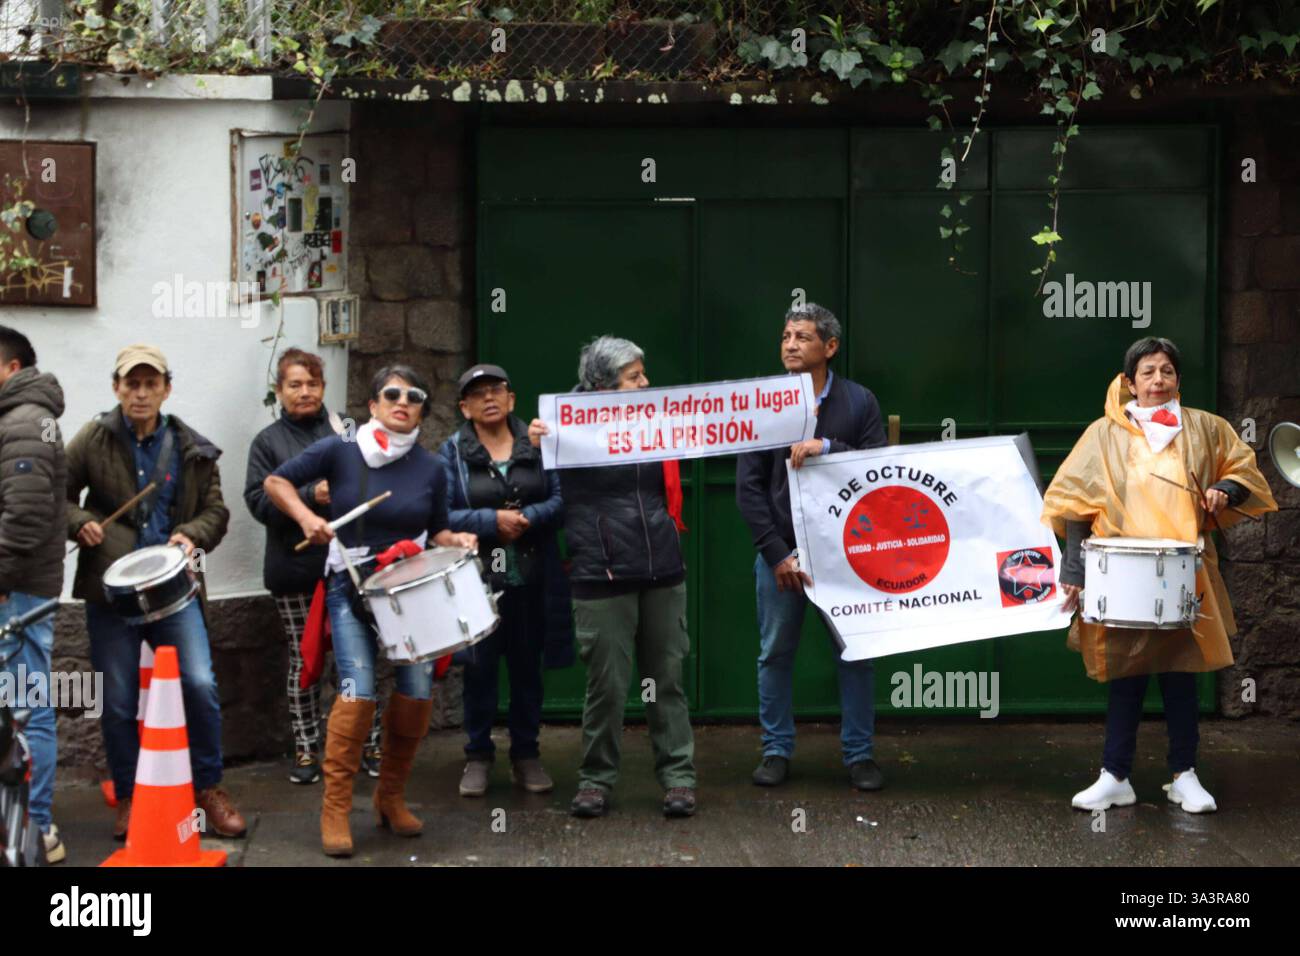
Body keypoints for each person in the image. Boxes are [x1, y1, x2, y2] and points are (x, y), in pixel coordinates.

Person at [1043, 336, 1276, 814]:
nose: (1157, 380)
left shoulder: (1206, 429)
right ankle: (1115, 775)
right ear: (1130, 382)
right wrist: (1075, 571)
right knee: (1126, 676)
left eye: (1166, 371)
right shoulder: (1103, 435)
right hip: (1122, 575)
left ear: (1178, 380)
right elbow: (1073, 504)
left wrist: (1223, 491)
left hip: (1184, 571)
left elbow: (1243, 471)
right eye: (1147, 372)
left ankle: (1184, 775)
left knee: (1181, 675)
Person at [265, 364, 477, 857]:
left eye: (415, 394)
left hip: (411, 591)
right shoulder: (340, 452)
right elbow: (275, 483)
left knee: (418, 689)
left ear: (422, 407)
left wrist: (458, 539)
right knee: (356, 692)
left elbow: (439, 529)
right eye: (392, 393)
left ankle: (390, 798)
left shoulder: (431, 467)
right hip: (351, 589)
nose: (403, 401)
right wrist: (307, 517)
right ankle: (335, 809)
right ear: (373, 404)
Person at [65, 344, 246, 840]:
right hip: (112, 595)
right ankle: (129, 796)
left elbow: (217, 512)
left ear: (166, 388)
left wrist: (194, 534)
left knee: (201, 685)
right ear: (116, 387)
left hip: (175, 591)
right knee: (119, 702)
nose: (140, 393)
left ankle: (207, 788)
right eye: (131, 383)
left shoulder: (193, 447)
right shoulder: (92, 438)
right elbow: (55, 495)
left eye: (151, 384)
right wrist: (80, 521)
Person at [529, 336, 696, 819]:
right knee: (608, 685)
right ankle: (595, 780)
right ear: (602, 385)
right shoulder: (564, 426)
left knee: (666, 680)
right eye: (634, 377)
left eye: (644, 374)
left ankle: (679, 778)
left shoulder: (656, 419)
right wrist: (539, 448)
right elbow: (541, 491)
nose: (646, 384)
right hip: (600, 572)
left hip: (662, 566)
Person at [735, 303, 887, 791]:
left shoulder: (859, 401)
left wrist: (829, 447)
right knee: (775, 654)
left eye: (802, 337)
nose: (790, 345)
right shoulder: (765, 404)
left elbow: (880, 470)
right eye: (785, 336)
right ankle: (776, 750)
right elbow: (749, 488)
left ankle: (859, 755)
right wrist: (776, 552)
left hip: (847, 558)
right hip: (783, 558)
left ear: (830, 347)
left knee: (855, 653)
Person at [244, 348, 384, 785]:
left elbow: (376, 479)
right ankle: (307, 750)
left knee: (358, 661)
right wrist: (308, 497)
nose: (304, 392)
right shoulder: (267, 442)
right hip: (295, 568)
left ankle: (369, 743)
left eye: (312, 384)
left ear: (323, 387)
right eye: (294, 385)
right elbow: (256, 502)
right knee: (305, 662)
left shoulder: (348, 431)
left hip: (353, 568)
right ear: (279, 391)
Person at [438, 363, 572, 798]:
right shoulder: (452, 453)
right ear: (464, 407)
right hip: (478, 578)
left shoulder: (538, 442)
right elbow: (440, 517)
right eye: (478, 394)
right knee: (479, 669)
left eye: (497, 389)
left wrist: (528, 518)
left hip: (532, 575)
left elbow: (561, 499)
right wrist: (491, 521)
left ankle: (526, 754)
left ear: (512, 399)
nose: (489, 398)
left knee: (526, 666)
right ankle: (477, 755)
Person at [0, 326, 67, 863]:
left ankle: (38, 827)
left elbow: (23, 521)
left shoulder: (27, 422)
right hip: (13, 586)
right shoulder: (19, 420)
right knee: (17, 704)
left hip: (16, 590)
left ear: (11, 367)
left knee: (27, 706)